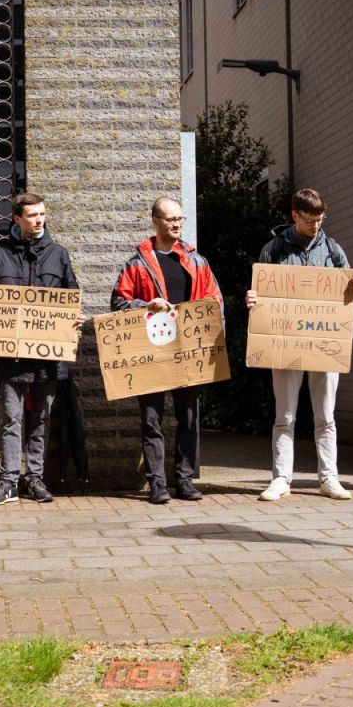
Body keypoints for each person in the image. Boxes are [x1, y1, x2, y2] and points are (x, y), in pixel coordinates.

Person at [243, 188, 353, 501]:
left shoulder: (334, 249)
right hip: (285, 344)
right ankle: (281, 479)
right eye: (310, 220)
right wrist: (253, 299)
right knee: (285, 416)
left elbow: (348, 301)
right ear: (294, 215)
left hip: (324, 344)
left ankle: (329, 479)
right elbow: (262, 297)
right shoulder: (273, 250)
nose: (316, 226)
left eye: (320, 220)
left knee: (326, 415)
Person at [110, 196, 222, 505]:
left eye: (180, 220)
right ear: (155, 222)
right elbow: (118, 303)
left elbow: (215, 301)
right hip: (151, 352)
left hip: (187, 351)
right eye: (170, 219)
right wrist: (146, 305)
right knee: (151, 419)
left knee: (188, 418)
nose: (176, 224)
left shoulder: (197, 261)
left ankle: (184, 480)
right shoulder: (137, 264)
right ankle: (157, 483)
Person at [0, 192, 80, 506]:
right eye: (32, 215)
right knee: (12, 419)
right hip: (11, 356)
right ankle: (9, 479)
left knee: (40, 417)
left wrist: (75, 318)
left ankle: (34, 477)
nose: (39, 220)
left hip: (46, 357)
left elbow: (71, 295)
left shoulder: (58, 254)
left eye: (42, 214)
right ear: (17, 219)